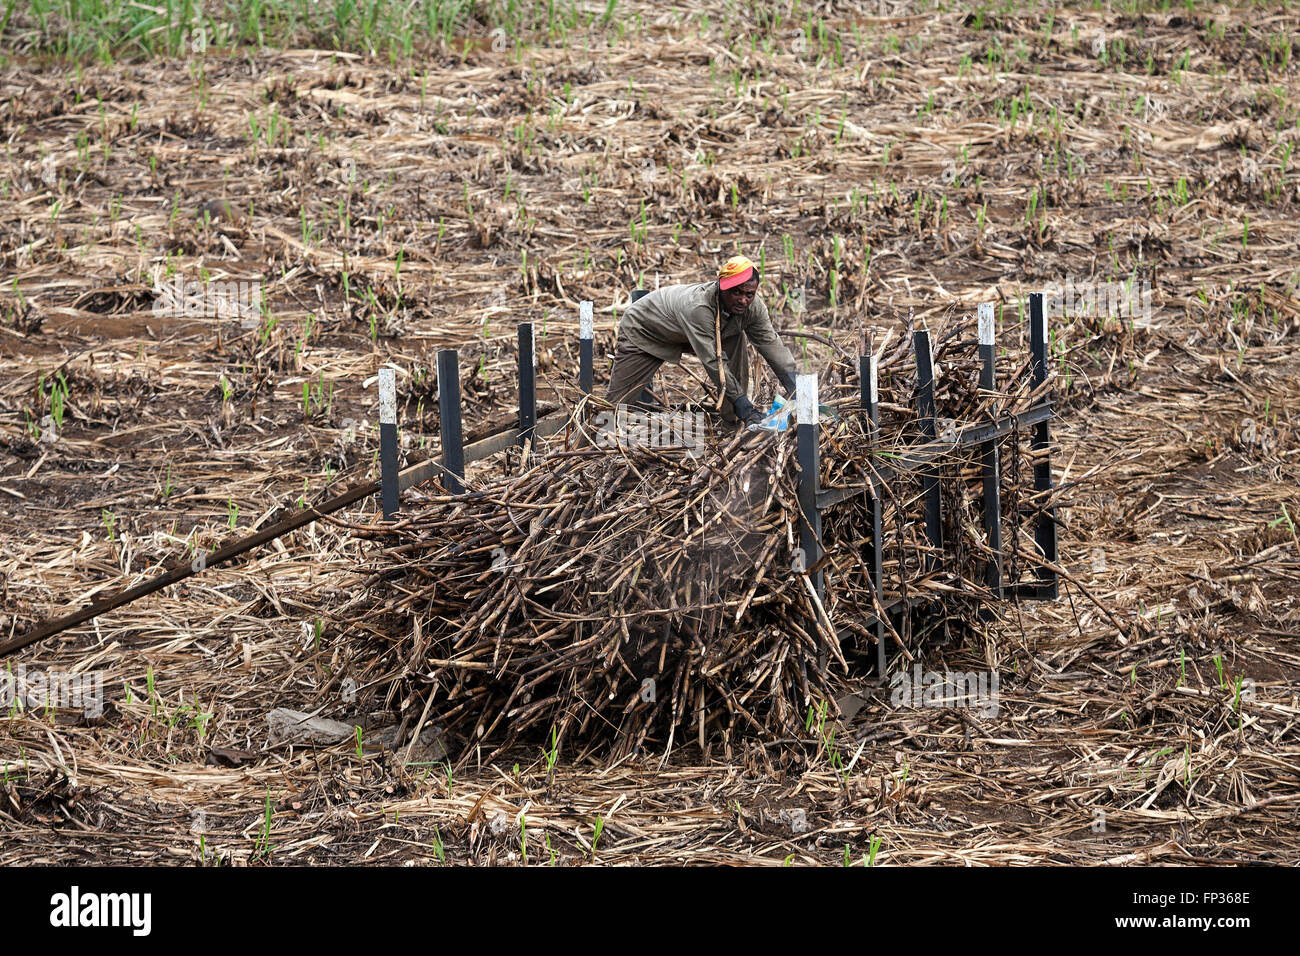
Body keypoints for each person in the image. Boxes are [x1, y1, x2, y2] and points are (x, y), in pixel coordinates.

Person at [604, 255, 798, 425]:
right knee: (616, 404)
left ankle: (734, 423)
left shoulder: (753, 308)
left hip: (688, 331)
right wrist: (745, 405)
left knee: (735, 336)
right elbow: (714, 361)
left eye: (749, 294)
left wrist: (798, 389)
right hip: (646, 329)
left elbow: (772, 345)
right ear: (722, 288)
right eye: (736, 292)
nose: (743, 300)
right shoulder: (699, 308)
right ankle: (591, 439)